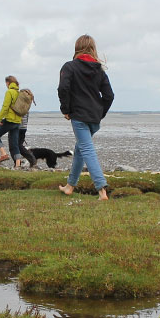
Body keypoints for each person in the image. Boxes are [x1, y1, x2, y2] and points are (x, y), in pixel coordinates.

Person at [57, 34, 114, 200]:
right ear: (93, 49)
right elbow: (109, 96)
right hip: (94, 119)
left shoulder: (69, 67)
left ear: (77, 48)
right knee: (80, 150)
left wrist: (65, 110)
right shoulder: (99, 70)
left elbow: (63, 88)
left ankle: (101, 189)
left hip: (79, 117)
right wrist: (100, 113)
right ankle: (70, 186)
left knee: (87, 150)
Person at [0, 75, 25, 167]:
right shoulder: (19, 93)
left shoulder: (9, 92)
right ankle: (18, 164)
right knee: (14, 144)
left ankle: (3, 154)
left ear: (8, 83)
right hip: (18, 121)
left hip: (10, 120)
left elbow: (5, 106)